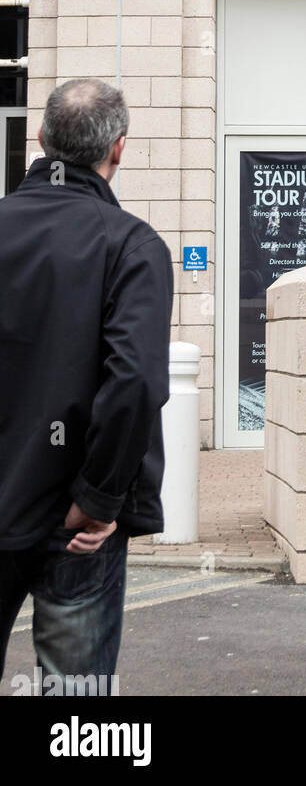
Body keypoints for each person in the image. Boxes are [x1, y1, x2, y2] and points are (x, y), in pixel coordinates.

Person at [0, 79, 173, 693]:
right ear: (118, 149)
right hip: (76, 521)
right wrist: (100, 498)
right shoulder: (131, 244)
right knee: (77, 702)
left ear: (40, 139)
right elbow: (133, 379)